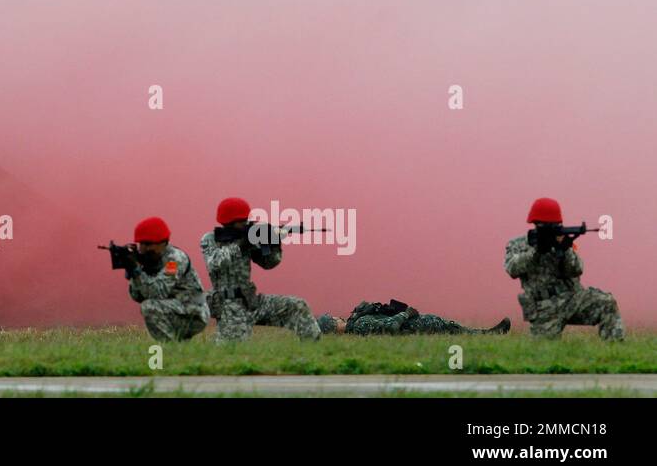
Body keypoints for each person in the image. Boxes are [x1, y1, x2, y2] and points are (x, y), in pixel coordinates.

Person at [201, 197, 320, 341]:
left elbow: (269, 263)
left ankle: (314, 349)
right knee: (234, 345)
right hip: (228, 306)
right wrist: (242, 245)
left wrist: (273, 244)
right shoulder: (210, 239)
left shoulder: (250, 236)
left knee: (297, 306)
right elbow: (214, 263)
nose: (245, 224)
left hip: (252, 301)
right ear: (228, 222)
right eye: (241, 221)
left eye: (246, 220)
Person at [505, 197, 623, 340]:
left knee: (607, 303)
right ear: (535, 224)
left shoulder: (561, 240)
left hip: (573, 298)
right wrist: (536, 252)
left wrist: (565, 249)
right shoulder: (519, 244)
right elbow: (512, 269)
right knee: (543, 350)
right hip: (544, 308)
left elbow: (577, 269)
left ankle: (613, 350)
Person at [120, 216, 210, 342]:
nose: (143, 249)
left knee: (149, 306)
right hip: (177, 308)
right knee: (148, 305)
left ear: (163, 242)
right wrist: (133, 272)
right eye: (141, 244)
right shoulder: (149, 260)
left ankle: (169, 348)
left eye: (148, 244)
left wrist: (137, 272)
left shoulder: (175, 259)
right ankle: (177, 348)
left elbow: (157, 292)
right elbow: (137, 296)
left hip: (194, 312)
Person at [315, 300, 510, 335]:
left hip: (420, 326)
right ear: (333, 327)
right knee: (457, 331)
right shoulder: (360, 325)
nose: (338, 318)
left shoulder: (359, 322)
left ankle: (489, 333)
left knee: (456, 330)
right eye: (333, 320)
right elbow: (390, 327)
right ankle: (491, 334)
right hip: (418, 328)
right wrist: (406, 313)